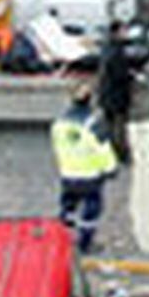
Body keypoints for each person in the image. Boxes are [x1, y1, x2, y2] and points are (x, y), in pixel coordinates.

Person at [51, 82, 119, 254]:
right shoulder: (93, 124)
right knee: (91, 212)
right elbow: (103, 149)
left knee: (68, 208)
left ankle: (62, 239)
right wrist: (111, 168)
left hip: (68, 174)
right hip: (90, 176)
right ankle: (84, 245)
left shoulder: (59, 124)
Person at [94, 23, 135, 166]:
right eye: (124, 30)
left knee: (110, 125)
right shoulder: (117, 51)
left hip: (106, 94)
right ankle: (121, 154)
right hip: (117, 96)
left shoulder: (107, 48)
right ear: (117, 32)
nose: (127, 33)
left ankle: (110, 152)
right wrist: (131, 76)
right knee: (119, 127)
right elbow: (120, 74)